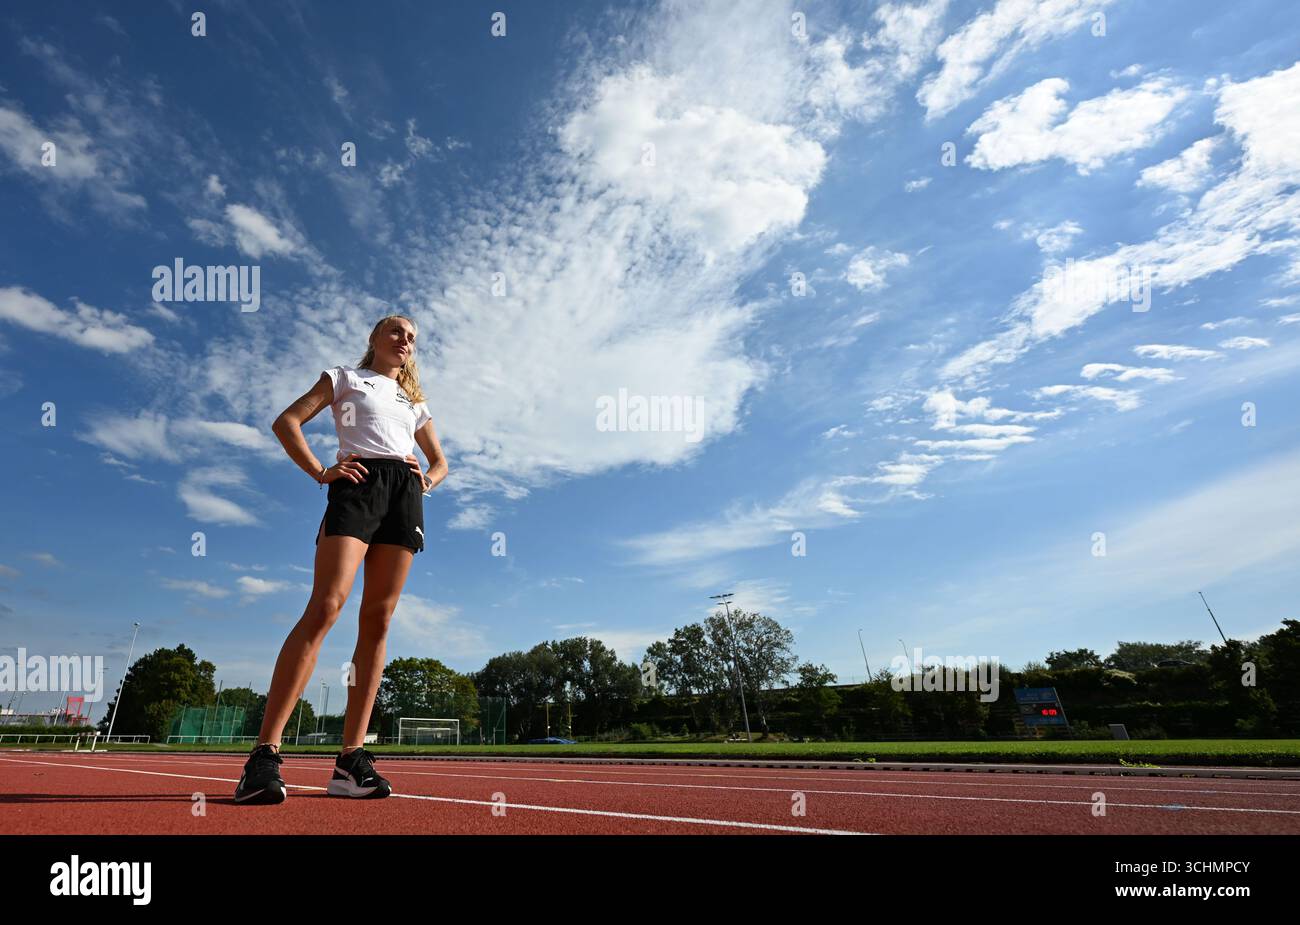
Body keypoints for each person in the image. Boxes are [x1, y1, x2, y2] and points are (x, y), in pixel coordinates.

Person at [233, 314, 448, 804]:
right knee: (328, 605)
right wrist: (320, 470)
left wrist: (427, 480)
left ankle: (351, 761)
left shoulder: (414, 402)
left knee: (379, 619)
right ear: (373, 338)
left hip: (404, 494)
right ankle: (264, 756)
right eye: (396, 331)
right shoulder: (345, 378)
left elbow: (441, 461)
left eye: (412, 337)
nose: (405, 340)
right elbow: (286, 422)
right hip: (357, 484)